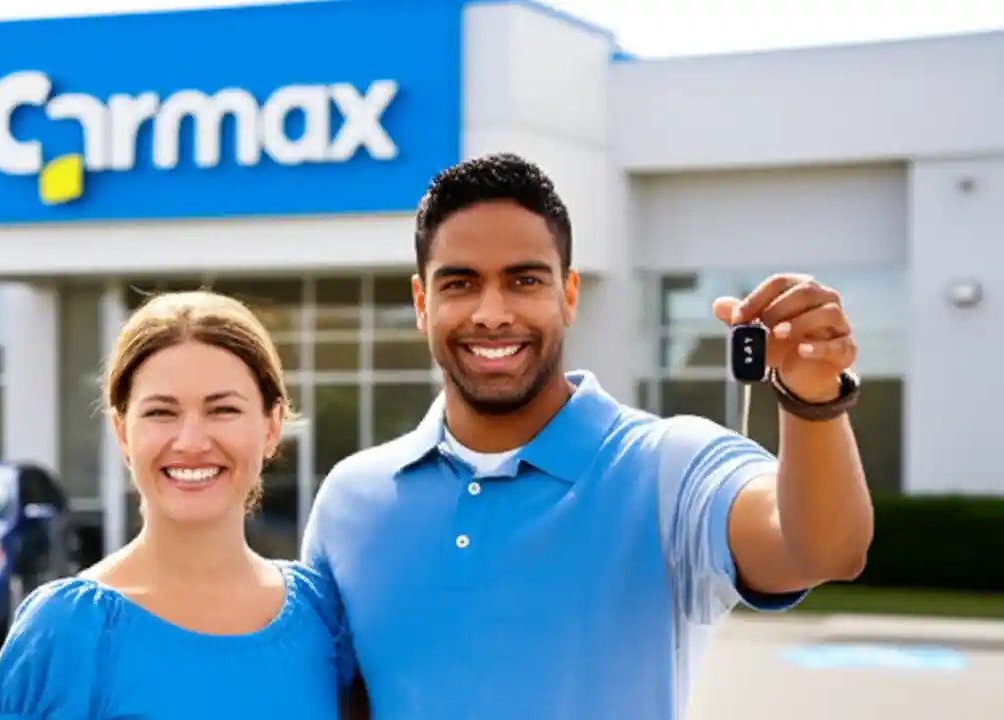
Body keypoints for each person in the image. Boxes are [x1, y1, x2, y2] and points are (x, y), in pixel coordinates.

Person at [302, 153, 874, 719]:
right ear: (423, 303)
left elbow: (822, 549)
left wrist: (812, 399)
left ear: (568, 295)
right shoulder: (352, 497)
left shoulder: (668, 467)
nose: (492, 313)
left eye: (524, 280)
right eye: (461, 283)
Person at [0, 291, 350, 719]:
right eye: (161, 413)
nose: (191, 442)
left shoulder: (322, 615)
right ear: (122, 432)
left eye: (223, 409)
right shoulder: (68, 631)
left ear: (272, 426)